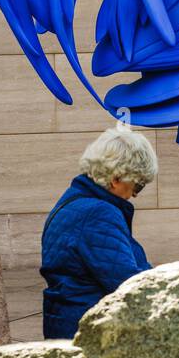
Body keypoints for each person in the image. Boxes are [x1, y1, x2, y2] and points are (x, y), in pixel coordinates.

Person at [40, 125, 158, 339]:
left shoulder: (71, 202)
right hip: (90, 333)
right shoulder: (98, 213)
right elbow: (126, 282)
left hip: (67, 326)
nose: (135, 195)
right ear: (116, 179)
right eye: (138, 185)